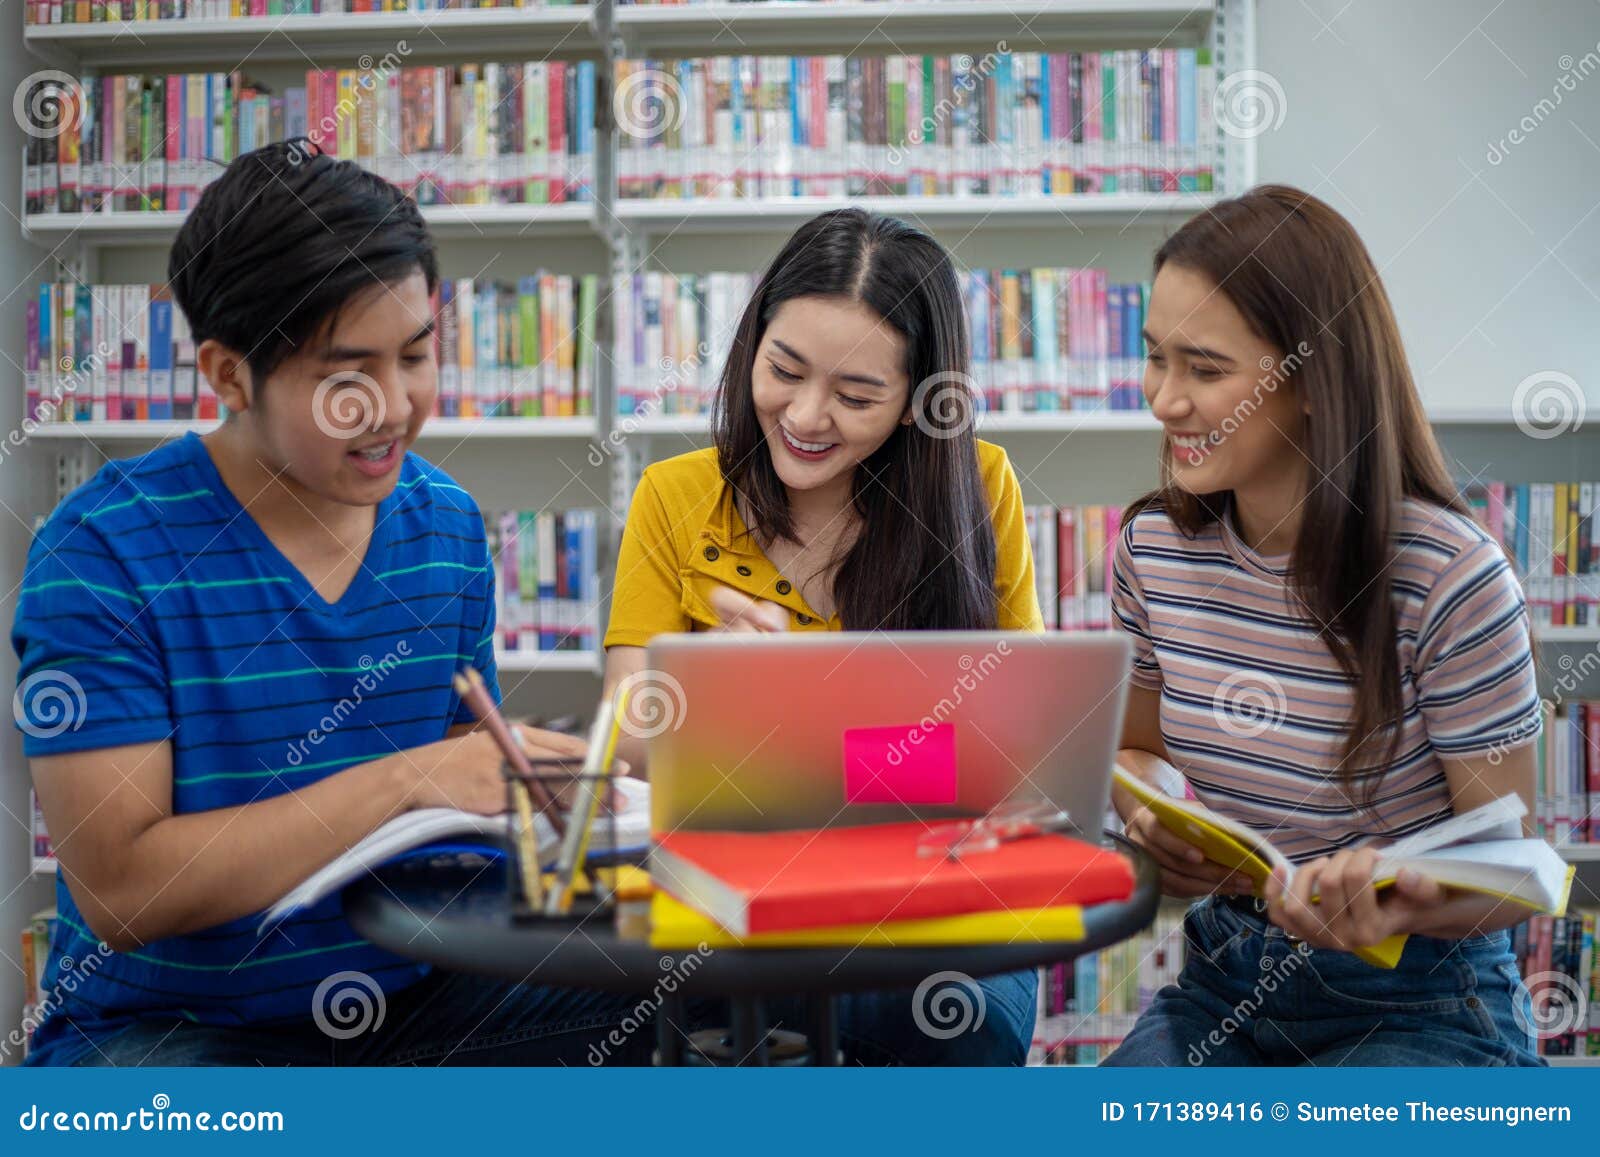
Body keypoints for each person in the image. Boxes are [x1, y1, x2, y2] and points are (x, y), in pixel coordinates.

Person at [12, 141, 653, 1066]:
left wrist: (556, 820)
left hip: (410, 998)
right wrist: (409, 776)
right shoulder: (103, 549)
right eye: (348, 374)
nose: (394, 407)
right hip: (167, 1032)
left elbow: (440, 824)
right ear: (230, 376)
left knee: (673, 989)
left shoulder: (445, 528)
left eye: (417, 355)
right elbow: (124, 893)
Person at [1102, 185, 1545, 1067]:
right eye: (1155, 357)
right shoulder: (1152, 548)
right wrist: (1155, 816)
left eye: (1204, 368)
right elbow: (1134, 749)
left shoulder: (1448, 577)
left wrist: (1395, 894)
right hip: (1226, 978)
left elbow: (1513, 870)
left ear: (1312, 381)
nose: (1163, 398)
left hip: (1422, 998)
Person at [603, 208, 1044, 1065]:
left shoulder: (979, 488)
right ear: (751, 348)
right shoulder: (674, 495)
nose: (805, 416)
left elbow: (1017, 747)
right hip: (726, 892)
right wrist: (711, 697)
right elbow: (627, 736)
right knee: (608, 1005)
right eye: (785, 370)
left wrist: (790, 725)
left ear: (919, 401)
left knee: (957, 1018)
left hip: (932, 885)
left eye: (856, 395)